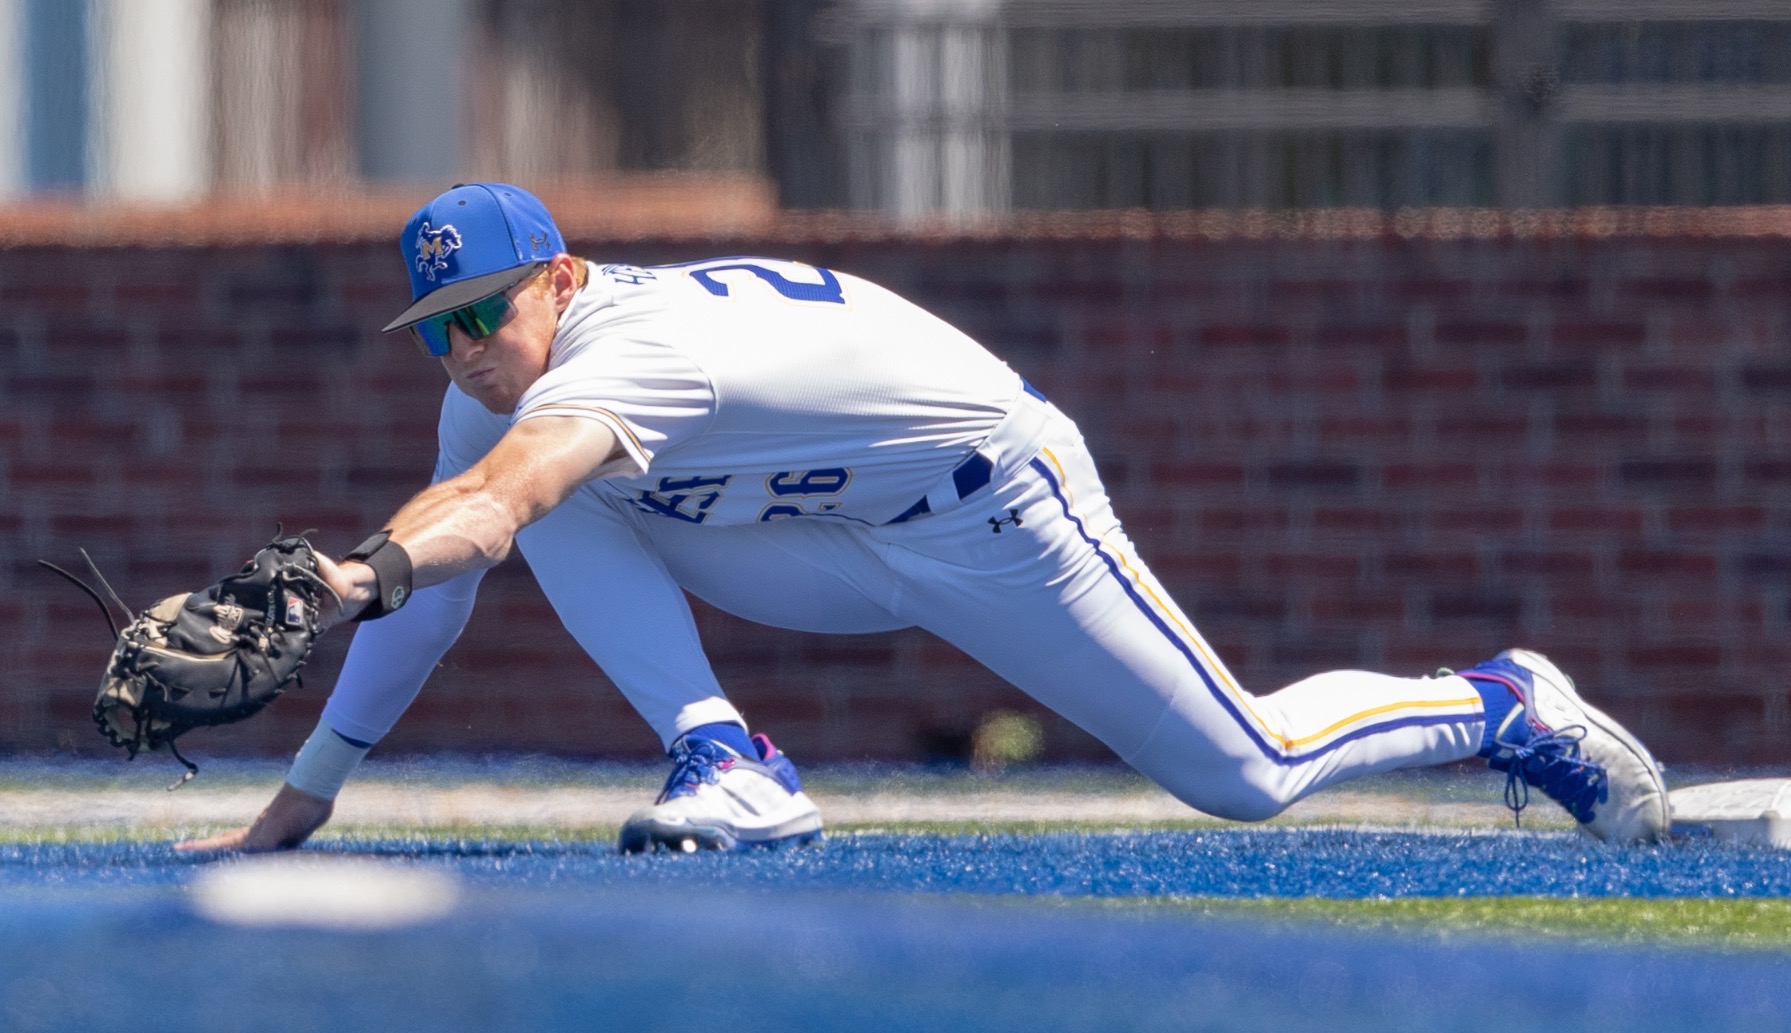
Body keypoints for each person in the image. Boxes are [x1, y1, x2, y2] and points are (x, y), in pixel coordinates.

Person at [178, 183, 1670, 855]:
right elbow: (448, 566)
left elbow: (492, 510)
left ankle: (1497, 702)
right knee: (513, 499)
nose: (464, 349)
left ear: (560, 276)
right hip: (815, 538)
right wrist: (307, 794)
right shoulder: (507, 391)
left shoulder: (632, 345)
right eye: (435, 328)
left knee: (1246, 773)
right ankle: (728, 759)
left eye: (482, 311)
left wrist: (347, 572)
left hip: (996, 509)